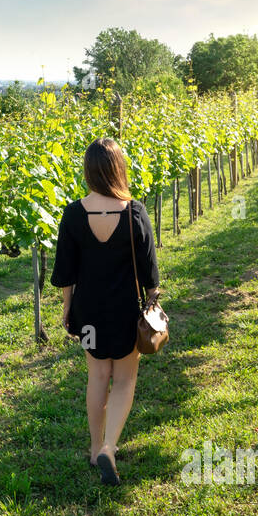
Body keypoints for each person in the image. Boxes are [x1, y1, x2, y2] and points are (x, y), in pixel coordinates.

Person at [50, 137, 160, 486]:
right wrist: (153, 297)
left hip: (89, 312)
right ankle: (109, 448)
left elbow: (65, 271)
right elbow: (149, 271)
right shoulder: (134, 211)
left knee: (97, 376)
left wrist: (69, 307)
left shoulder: (72, 213)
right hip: (125, 310)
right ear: (118, 169)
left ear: (89, 171)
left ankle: (95, 444)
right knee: (125, 379)